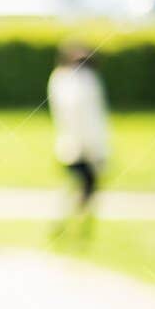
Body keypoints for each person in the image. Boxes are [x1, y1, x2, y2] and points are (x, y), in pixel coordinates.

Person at [46, 42, 110, 240]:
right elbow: (87, 120)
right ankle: (77, 228)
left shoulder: (61, 79)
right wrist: (95, 151)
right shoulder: (80, 82)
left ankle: (70, 227)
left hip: (70, 146)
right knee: (83, 189)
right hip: (81, 147)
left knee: (78, 188)